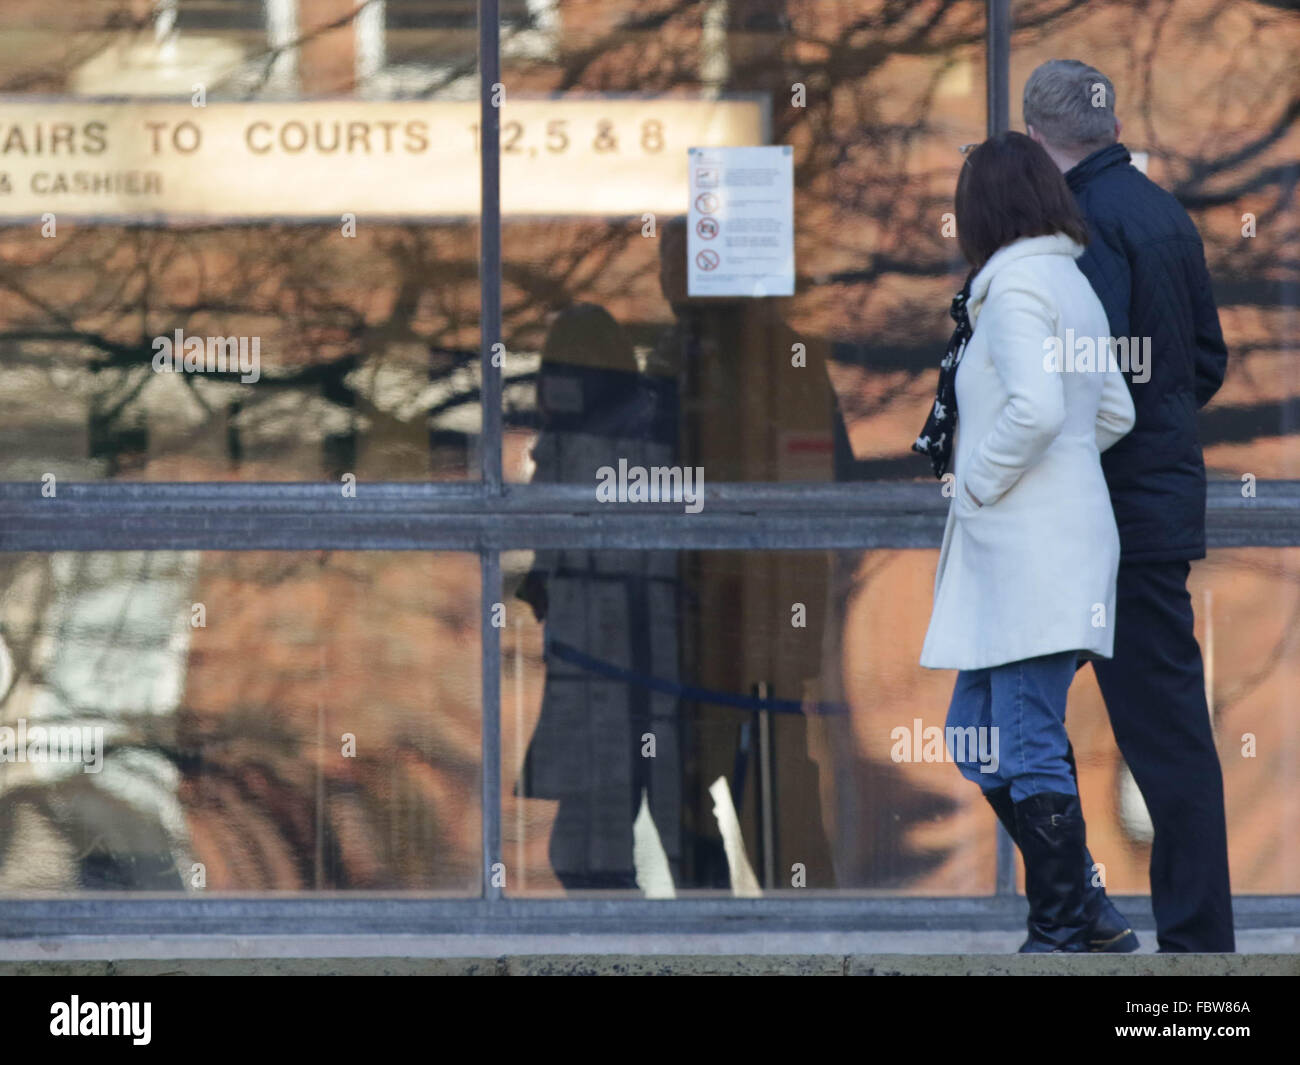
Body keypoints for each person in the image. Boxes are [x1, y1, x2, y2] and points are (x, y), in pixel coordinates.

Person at [1024, 59, 1235, 953]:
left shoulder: (1082, 228)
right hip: (1150, 513)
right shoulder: (1163, 214)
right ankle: (1194, 938)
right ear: (1107, 127)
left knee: (1017, 719)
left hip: (1100, 518)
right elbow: (1205, 361)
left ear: (1037, 136)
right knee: (1171, 736)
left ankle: (1080, 918)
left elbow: (1086, 378)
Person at [918, 131, 1137, 951]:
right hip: (1055, 548)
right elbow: (1112, 413)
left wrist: (978, 482)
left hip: (1026, 555)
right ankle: (1089, 908)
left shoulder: (1012, 294)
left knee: (1022, 733)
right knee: (977, 733)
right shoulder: (1070, 285)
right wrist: (1063, 472)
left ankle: (1059, 927)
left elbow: (1039, 411)